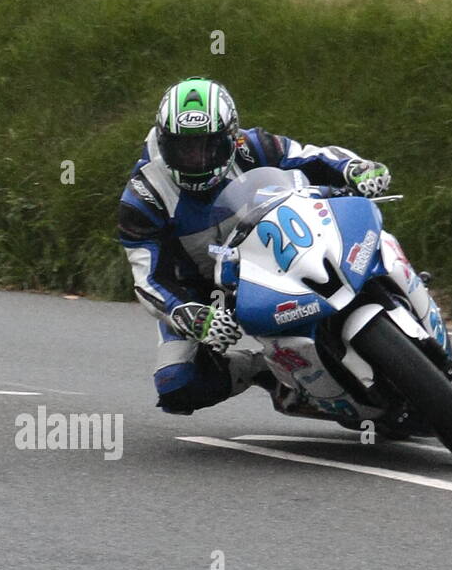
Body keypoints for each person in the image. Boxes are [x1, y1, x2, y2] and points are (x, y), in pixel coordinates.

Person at [118, 76, 391, 415]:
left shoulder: (252, 146)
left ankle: (390, 282)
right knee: (177, 385)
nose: (196, 159)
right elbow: (148, 277)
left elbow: (311, 158)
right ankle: (265, 370)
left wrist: (354, 168)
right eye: (183, 149)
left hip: (272, 250)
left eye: (208, 146)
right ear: (163, 141)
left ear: (230, 138)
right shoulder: (144, 196)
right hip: (203, 291)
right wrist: (186, 312)